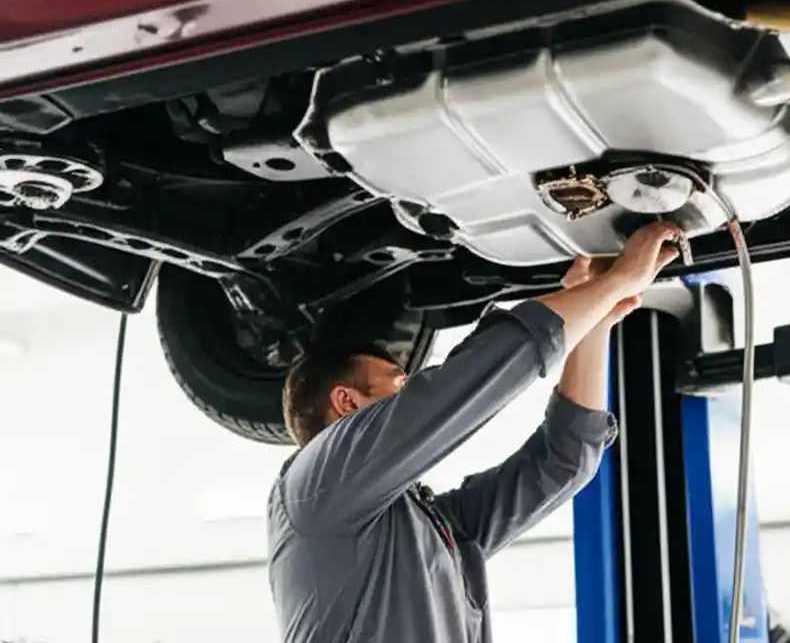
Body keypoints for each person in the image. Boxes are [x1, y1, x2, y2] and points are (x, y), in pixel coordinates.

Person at [267, 221, 683, 643]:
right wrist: (612, 285)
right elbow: (464, 385)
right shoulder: (314, 488)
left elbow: (564, 459)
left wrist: (597, 317)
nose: (413, 396)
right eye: (401, 386)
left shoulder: (428, 531)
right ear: (347, 403)